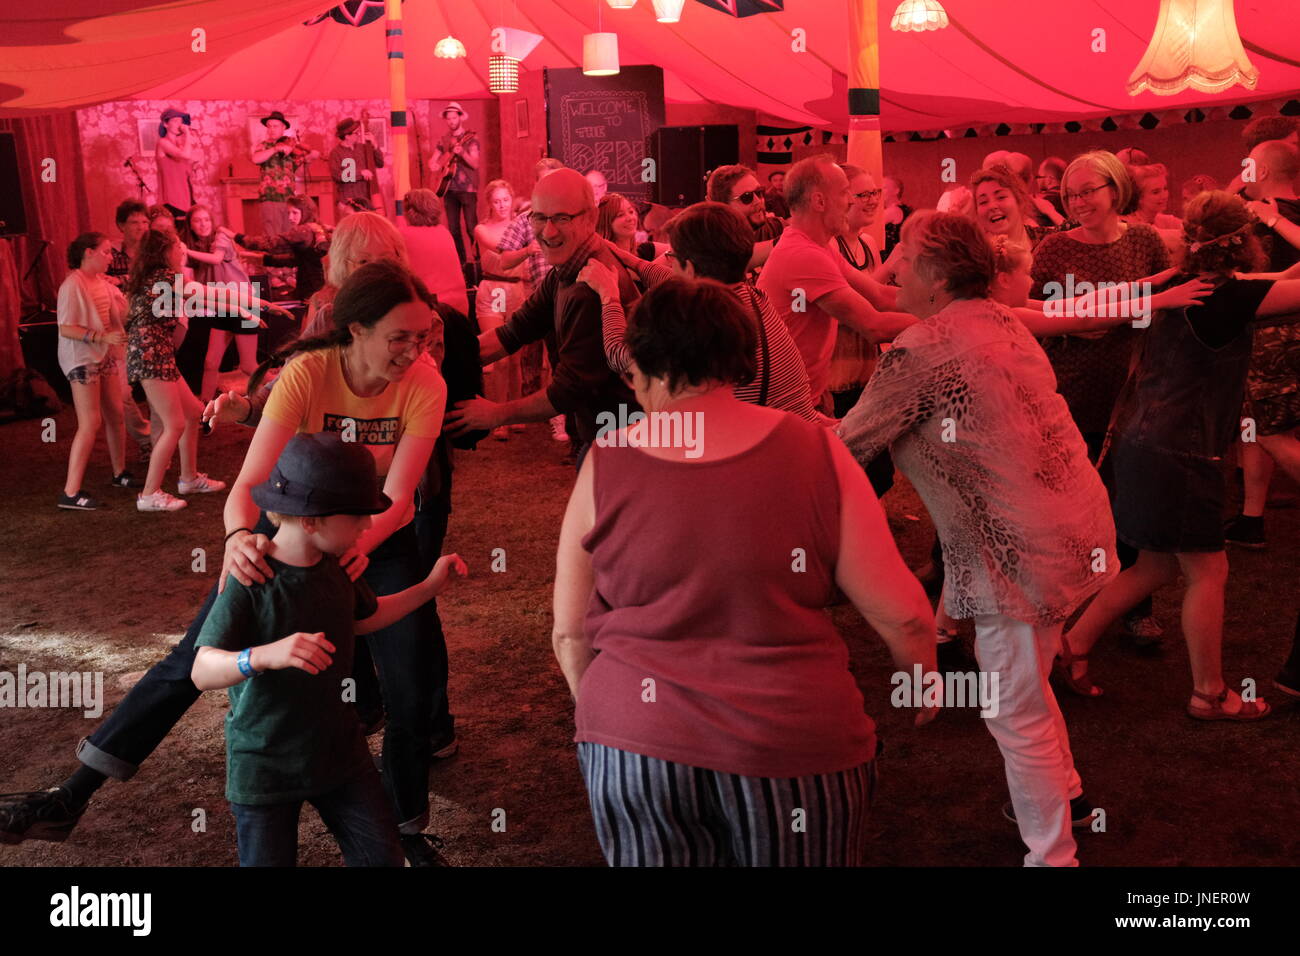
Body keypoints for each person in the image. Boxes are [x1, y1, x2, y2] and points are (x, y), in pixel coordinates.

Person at [0, 263, 454, 869]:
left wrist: (355, 549)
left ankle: (407, 832)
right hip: (293, 528)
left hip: (375, 532)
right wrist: (240, 538)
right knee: (195, 654)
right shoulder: (309, 372)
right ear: (356, 330)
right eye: (401, 336)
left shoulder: (425, 383)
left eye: (421, 336)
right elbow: (250, 486)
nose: (414, 350)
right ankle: (71, 793)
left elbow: (399, 499)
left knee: (409, 673)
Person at [553, 276, 937, 867]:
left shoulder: (605, 463)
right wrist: (922, 683)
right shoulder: (817, 450)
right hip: (795, 745)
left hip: (635, 748)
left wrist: (607, 715)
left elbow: (571, 632)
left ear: (649, 367)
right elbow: (903, 612)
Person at [839, 212, 1119, 867]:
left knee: (1011, 708)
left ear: (935, 276)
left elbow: (849, 445)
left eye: (903, 257)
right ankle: (1069, 797)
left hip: (1018, 552)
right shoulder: (1000, 319)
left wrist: (762, 436)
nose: (895, 268)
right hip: (1077, 528)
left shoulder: (922, 348)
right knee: (1029, 681)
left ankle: (1053, 856)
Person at [1060, 192, 1300, 719]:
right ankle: (1209, 694)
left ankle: (1073, 646)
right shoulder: (1229, 298)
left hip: (1141, 442)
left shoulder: (1176, 283)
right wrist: (1282, 219)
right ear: (1248, 242)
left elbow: (1276, 286)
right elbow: (1284, 289)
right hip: (1181, 452)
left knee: (1154, 566)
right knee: (1208, 572)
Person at [191, 432, 466, 867]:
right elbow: (202, 670)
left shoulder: (338, 565)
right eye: (357, 515)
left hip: (340, 753)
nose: (367, 526)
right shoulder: (251, 576)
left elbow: (364, 618)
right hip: (265, 764)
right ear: (312, 519)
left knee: (382, 857)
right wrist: (262, 656)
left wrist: (430, 586)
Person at [1031, 150, 1171, 646]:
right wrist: (1075, 324)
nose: (1078, 201)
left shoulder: (1145, 241)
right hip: (1069, 388)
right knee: (1070, 504)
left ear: (1115, 189)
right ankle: (1063, 602)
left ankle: (1133, 608)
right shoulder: (1053, 248)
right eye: (1071, 193)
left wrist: (1115, 319)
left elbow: (1160, 309)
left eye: (1088, 190)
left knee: (1127, 501)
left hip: (1130, 389)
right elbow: (1035, 315)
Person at [445, 168, 640, 465]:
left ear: (590, 217)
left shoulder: (589, 285)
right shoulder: (566, 269)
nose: (548, 231)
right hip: (605, 436)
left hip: (621, 443)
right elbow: (514, 333)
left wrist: (495, 413)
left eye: (562, 218)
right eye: (539, 217)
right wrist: (439, 361)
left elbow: (567, 390)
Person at [578, 200, 830, 427]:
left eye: (671, 256)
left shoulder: (703, 323)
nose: (669, 262)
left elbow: (619, 355)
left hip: (759, 455)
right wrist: (629, 260)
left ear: (689, 266)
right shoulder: (751, 297)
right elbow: (675, 277)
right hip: (790, 433)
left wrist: (608, 295)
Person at [757, 154, 915, 413]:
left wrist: (939, 302)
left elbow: (878, 294)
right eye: (846, 193)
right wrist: (947, 322)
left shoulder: (817, 246)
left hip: (810, 396)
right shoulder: (802, 254)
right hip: (788, 406)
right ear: (819, 201)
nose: (851, 201)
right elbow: (874, 326)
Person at [1223, 140, 1300, 549]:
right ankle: (1252, 518)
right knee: (1254, 426)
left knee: (1270, 434)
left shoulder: (1258, 220)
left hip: (1274, 338)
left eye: (1249, 165)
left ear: (1265, 172)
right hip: (1276, 338)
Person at [124, 229, 227, 511]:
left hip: (157, 354)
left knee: (193, 413)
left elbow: (205, 299)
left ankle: (189, 479)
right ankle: (149, 494)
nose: (182, 252)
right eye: (177, 248)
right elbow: (206, 295)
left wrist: (248, 308)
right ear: (164, 252)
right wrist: (252, 306)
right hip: (152, 356)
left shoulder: (154, 278)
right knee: (175, 423)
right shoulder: (166, 278)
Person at [55, 233, 133, 509]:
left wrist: (127, 299)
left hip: (104, 354)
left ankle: (119, 472)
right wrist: (102, 338)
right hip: (82, 358)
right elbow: (66, 327)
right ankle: (71, 492)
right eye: (106, 252)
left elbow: (118, 317)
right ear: (88, 253)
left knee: (115, 412)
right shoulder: (71, 286)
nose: (111, 257)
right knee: (90, 422)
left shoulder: (101, 283)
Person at [496, 157, 565, 437]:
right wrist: (528, 250)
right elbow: (504, 261)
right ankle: (558, 415)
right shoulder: (525, 220)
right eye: (543, 181)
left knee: (565, 358)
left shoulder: (572, 216)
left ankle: (568, 415)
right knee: (552, 355)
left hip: (574, 295)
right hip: (544, 299)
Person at [185, 203, 262, 401]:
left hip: (243, 302)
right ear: (190, 225)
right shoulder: (197, 248)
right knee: (211, 363)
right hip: (223, 306)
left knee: (248, 365)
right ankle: (205, 411)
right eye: (197, 221)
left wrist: (185, 251)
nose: (203, 224)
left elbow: (217, 259)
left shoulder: (221, 237)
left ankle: (284, 389)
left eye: (206, 219)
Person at [473, 179, 527, 441]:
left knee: (516, 356)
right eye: (497, 201)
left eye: (506, 199)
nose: (502, 205)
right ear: (490, 204)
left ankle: (514, 413)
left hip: (517, 289)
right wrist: (527, 247)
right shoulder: (482, 229)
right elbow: (502, 250)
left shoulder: (521, 225)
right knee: (500, 356)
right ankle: (497, 416)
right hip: (494, 288)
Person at [301, 211, 410, 339]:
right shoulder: (327, 313)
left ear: (399, 259)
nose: (376, 269)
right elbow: (302, 356)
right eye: (363, 261)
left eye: (385, 259)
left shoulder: (413, 307)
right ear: (342, 264)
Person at [105, 199, 154, 461]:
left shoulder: (153, 253)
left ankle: (163, 438)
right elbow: (99, 282)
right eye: (134, 222)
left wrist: (122, 281)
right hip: (122, 330)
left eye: (145, 222)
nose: (141, 227)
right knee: (122, 393)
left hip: (152, 327)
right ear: (121, 226)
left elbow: (157, 283)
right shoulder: (111, 257)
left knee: (158, 388)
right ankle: (147, 439)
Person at [230, 194, 330, 302]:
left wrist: (235, 236)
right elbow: (294, 260)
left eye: (295, 213)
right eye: (289, 213)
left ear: (305, 212)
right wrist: (261, 259)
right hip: (318, 287)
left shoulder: (303, 230)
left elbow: (270, 243)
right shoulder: (316, 228)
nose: (290, 217)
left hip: (312, 289)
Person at [398, 188, 469, 316]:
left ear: (409, 211)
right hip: (459, 306)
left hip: (430, 309)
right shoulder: (444, 232)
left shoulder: (403, 235)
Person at [250, 111, 318, 236]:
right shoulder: (264, 145)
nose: (271, 129)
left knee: (288, 235)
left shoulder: (291, 147)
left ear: (283, 128)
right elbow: (255, 159)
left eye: (275, 126)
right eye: (269, 126)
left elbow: (306, 163)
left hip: (288, 201)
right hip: (270, 198)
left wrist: (304, 152)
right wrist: (275, 148)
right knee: (271, 236)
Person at [429, 103, 480, 264]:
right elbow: (433, 160)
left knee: (471, 227)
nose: (451, 121)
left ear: (460, 117)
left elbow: (475, 164)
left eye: (454, 117)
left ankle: (479, 262)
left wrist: (462, 153)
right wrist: (434, 165)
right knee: (453, 229)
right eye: (448, 119)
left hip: (468, 189)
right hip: (448, 189)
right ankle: (461, 263)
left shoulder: (471, 138)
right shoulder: (444, 140)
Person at [706, 164, 783, 270]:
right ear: (722, 206)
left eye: (759, 192)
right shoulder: (710, 239)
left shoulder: (777, 228)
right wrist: (783, 242)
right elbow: (728, 260)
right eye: (747, 197)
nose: (758, 201)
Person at [329, 117, 384, 223]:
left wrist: (375, 145)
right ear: (347, 136)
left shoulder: (363, 148)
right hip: (346, 203)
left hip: (365, 202)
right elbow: (337, 175)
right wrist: (360, 173)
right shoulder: (335, 153)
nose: (359, 135)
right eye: (356, 133)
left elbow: (380, 163)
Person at [154, 108, 196, 224]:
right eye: (176, 121)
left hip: (185, 199)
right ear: (165, 124)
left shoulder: (180, 146)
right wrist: (187, 133)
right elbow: (185, 155)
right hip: (172, 200)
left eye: (181, 121)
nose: (180, 124)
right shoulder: (163, 142)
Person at [881, 174, 912, 258]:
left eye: (884, 188)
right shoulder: (904, 209)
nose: (879, 191)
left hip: (893, 260)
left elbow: (870, 228)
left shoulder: (893, 211)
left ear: (896, 191)